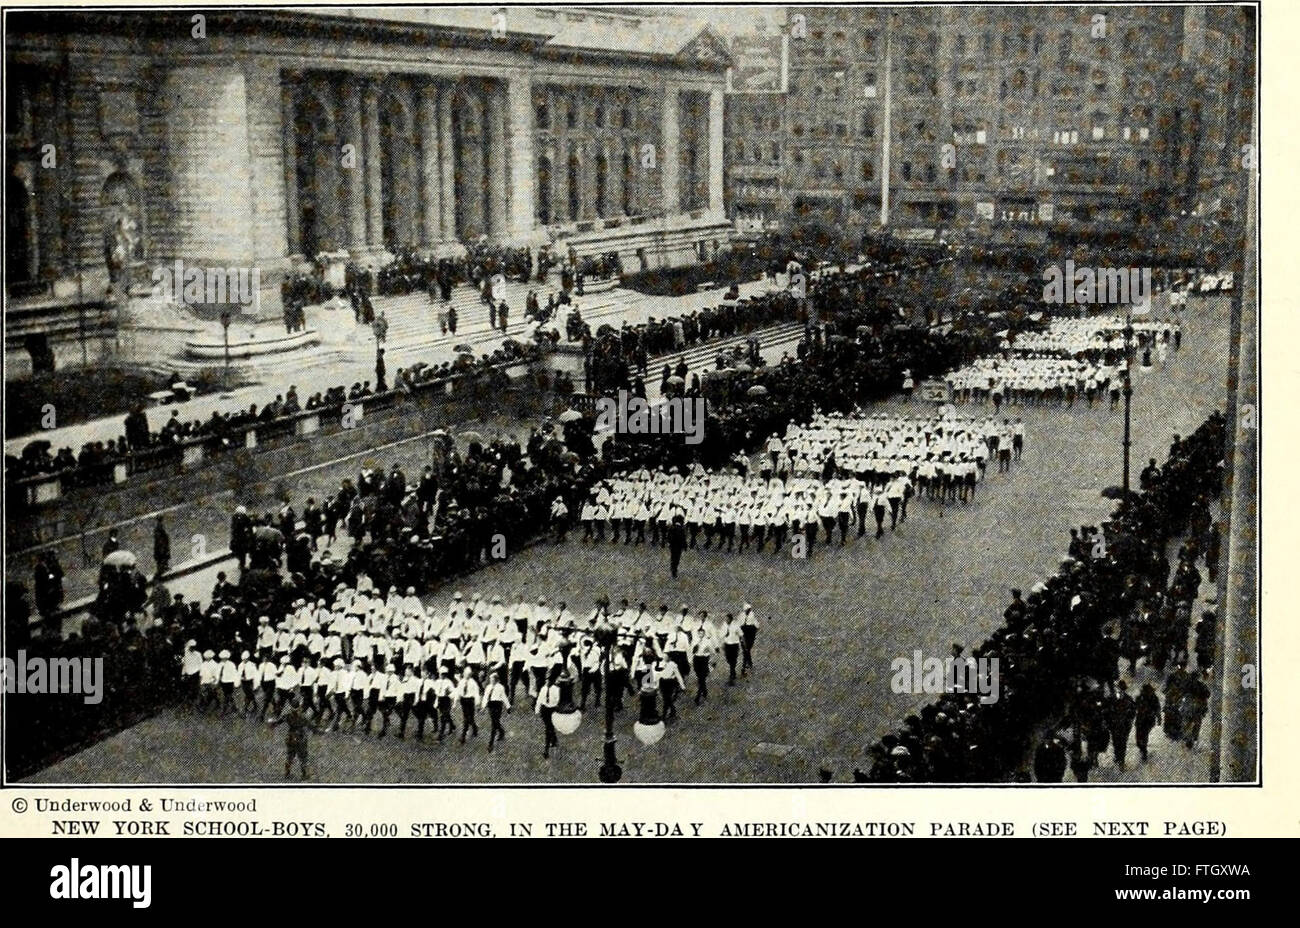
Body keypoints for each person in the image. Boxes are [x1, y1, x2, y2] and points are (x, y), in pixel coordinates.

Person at [270, 695, 310, 780]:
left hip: (291, 737)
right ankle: (304, 774)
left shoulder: (287, 716)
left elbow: (278, 722)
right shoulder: (303, 717)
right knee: (302, 757)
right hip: (301, 738)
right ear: (299, 706)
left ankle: (287, 773)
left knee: (290, 755)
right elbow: (311, 726)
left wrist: (272, 724)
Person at [1108, 681, 1137, 771]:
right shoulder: (1111, 698)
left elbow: (1133, 711)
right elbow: (1106, 711)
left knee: (1123, 742)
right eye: (1119, 689)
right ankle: (1117, 756)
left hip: (1124, 725)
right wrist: (1109, 721)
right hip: (1114, 724)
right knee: (1116, 742)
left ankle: (1122, 761)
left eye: (1122, 689)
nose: (1120, 690)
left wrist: (1129, 720)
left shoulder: (1129, 699)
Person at [535, 672, 560, 759]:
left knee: (548, 728)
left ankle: (546, 749)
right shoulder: (543, 689)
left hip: (552, 709)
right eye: (546, 680)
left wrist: (556, 707)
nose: (547, 682)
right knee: (549, 726)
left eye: (549, 680)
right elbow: (539, 699)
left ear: (552, 681)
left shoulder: (556, 690)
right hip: (544, 709)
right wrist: (537, 709)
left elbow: (558, 700)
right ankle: (554, 739)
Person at [1134, 683, 1161, 763]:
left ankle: (1144, 752)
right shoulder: (1140, 698)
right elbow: (1135, 706)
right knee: (1138, 738)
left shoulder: (1154, 698)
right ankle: (1142, 748)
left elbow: (1157, 709)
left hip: (1149, 720)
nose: (1149, 692)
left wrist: (1159, 717)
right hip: (1140, 719)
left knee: (1144, 735)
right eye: (1147, 690)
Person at [484, 671, 510, 750]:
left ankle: (490, 743)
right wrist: (483, 706)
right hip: (491, 705)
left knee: (494, 724)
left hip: (498, 705)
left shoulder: (500, 687)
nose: (491, 680)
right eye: (490, 679)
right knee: (495, 722)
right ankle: (501, 731)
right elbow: (485, 697)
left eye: (492, 679)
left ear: (496, 680)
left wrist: (508, 706)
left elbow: (504, 697)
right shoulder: (488, 687)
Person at [456, 667, 480, 743]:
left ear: (470, 675)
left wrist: (477, 703)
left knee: (466, 719)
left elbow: (476, 694)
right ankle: (475, 728)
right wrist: (455, 701)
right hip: (463, 701)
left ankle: (463, 736)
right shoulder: (461, 682)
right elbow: (458, 691)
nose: (466, 675)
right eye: (465, 674)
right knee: (469, 718)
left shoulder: (473, 683)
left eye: (468, 674)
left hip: (470, 701)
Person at [721, 613, 742, 685]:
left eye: (727, 619)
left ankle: (732, 675)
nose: (726, 620)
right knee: (728, 659)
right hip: (727, 645)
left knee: (733, 660)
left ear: (731, 619)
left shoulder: (736, 625)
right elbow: (721, 634)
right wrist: (723, 643)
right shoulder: (724, 625)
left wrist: (743, 644)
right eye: (725, 619)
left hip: (734, 645)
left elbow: (741, 634)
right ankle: (733, 672)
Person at [740, 605, 759, 674]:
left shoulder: (752, 617)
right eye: (746, 609)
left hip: (750, 636)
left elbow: (757, 626)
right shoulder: (741, 616)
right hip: (743, 635)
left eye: (748, 609)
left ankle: (744, 666)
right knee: (746, 650)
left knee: (746, 650)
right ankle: (749, 663)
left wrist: (753, 634)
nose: (747, 611)